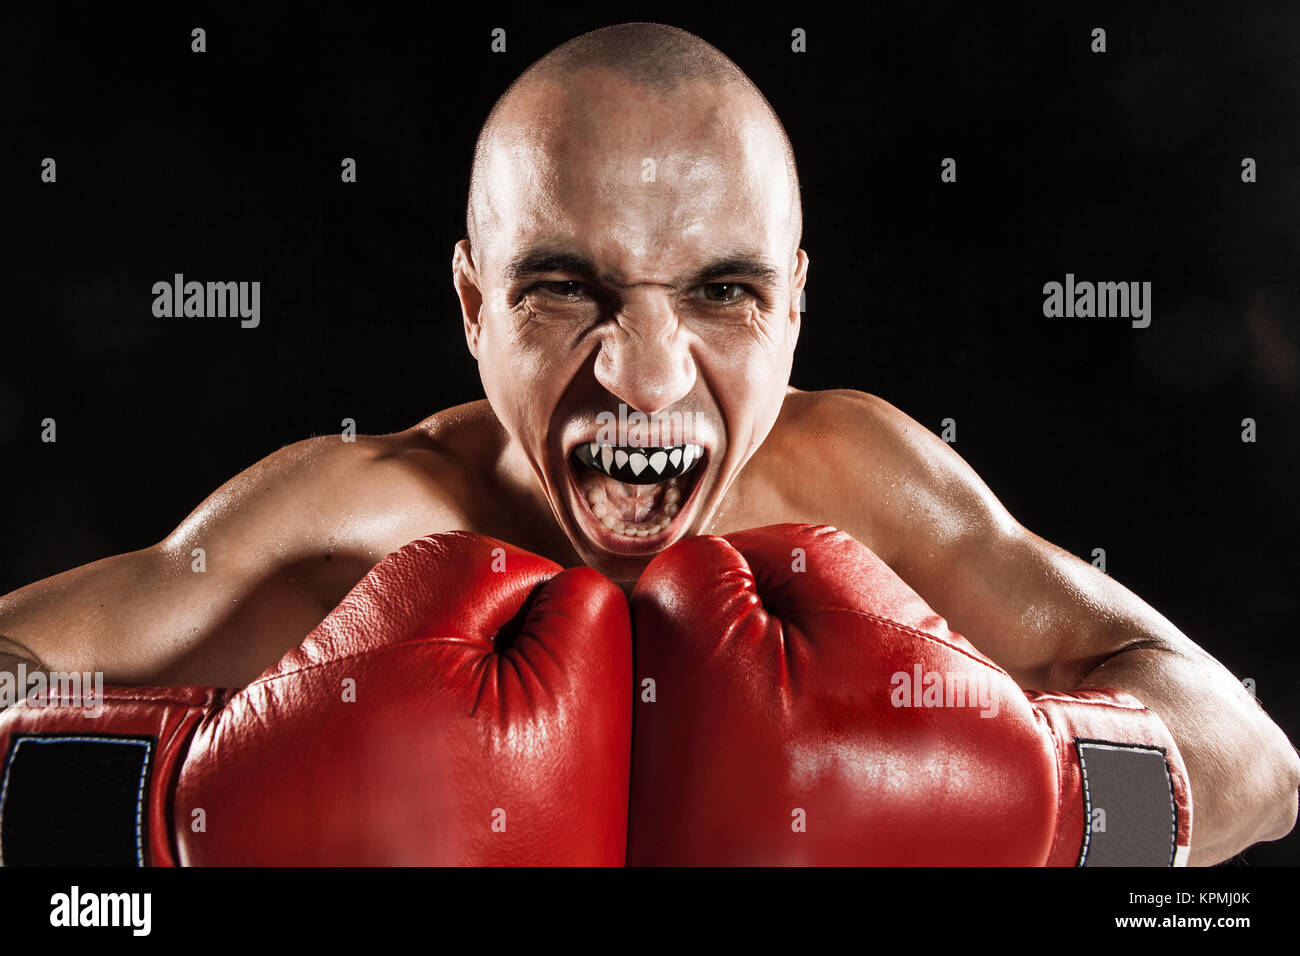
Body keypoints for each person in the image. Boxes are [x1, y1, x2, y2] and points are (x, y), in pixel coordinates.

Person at [0, 22, 1295, 866]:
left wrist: (1057, 803)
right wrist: (163, 808)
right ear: (471, 305)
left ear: (793, 307)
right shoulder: (350, 529)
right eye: (565, 289)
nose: (645, 375)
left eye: (722, 294)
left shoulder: (861, 489)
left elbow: (1257, 762)